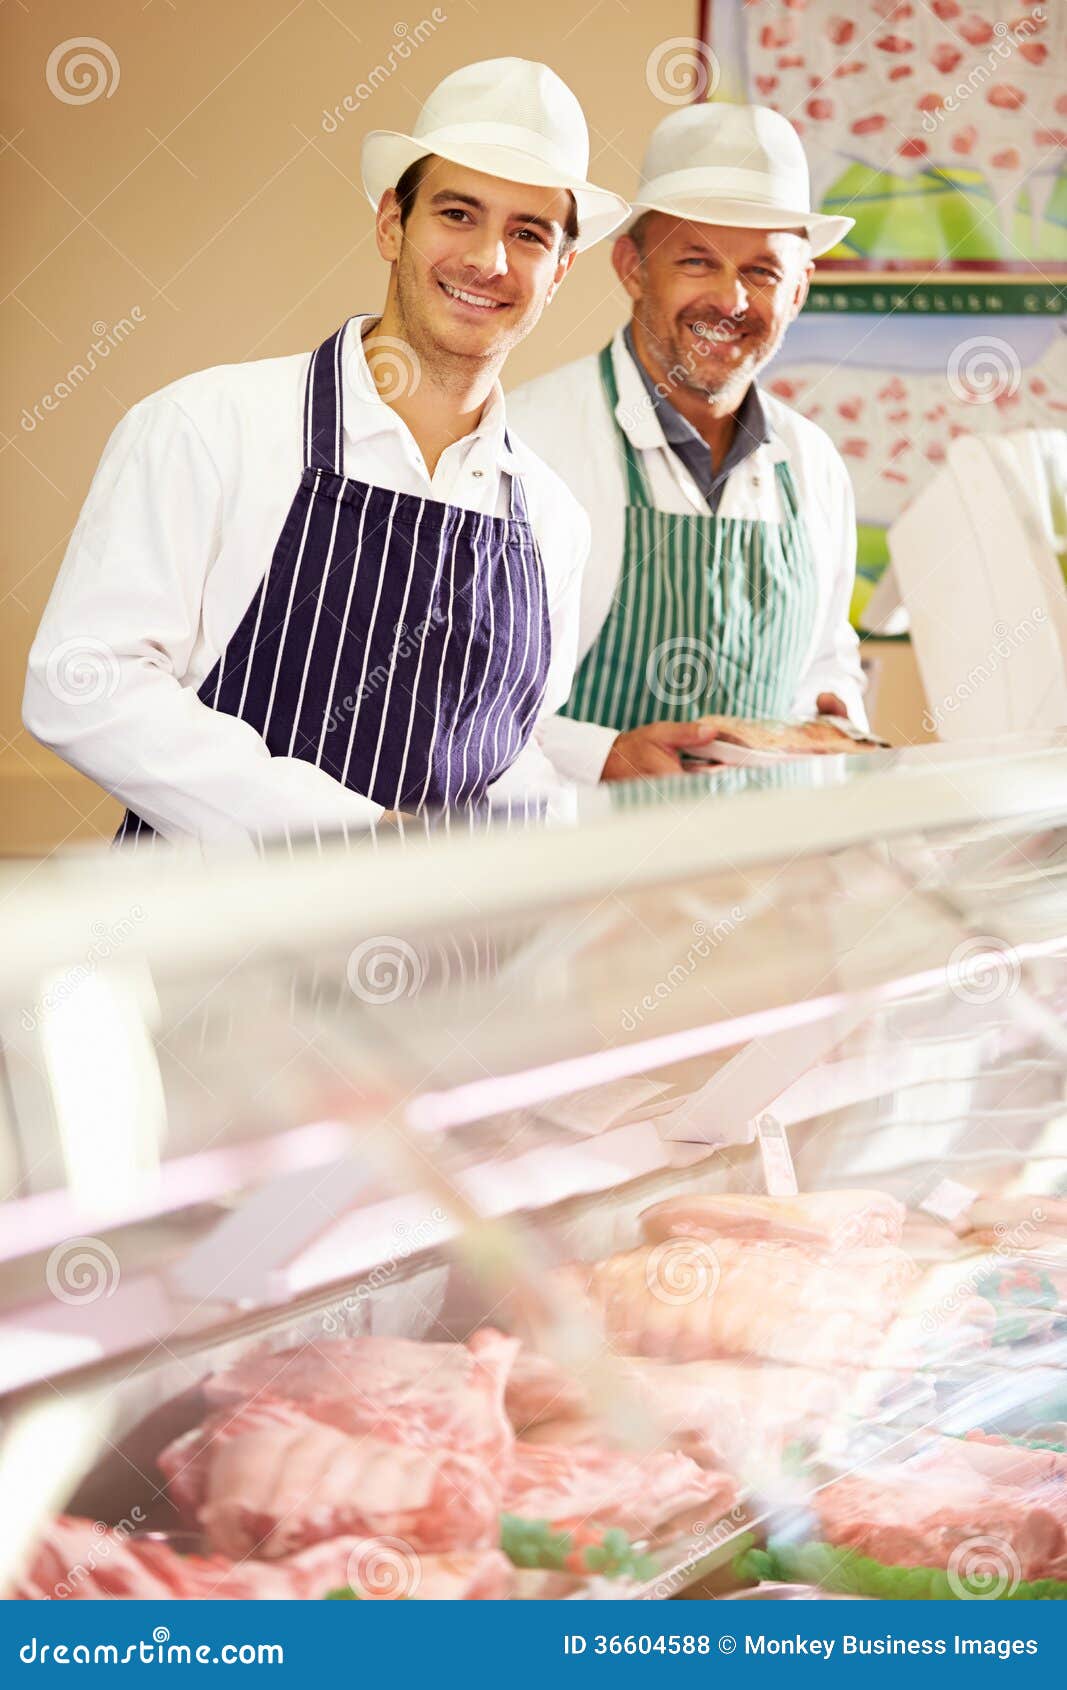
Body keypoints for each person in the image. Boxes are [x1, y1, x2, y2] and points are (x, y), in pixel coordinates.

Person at [23, 59, 628, 843]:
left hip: (456, 950)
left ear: (561, 272)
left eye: (528, 234)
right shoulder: (209, 426)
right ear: (390, 224)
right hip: (220, 952)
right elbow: (82, 686)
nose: (489, 261)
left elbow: (514, 751)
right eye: (457, 214)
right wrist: (353, 838)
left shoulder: (550, 517)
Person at [508, 102, 868, 785]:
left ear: (798, 290)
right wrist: (599, 756)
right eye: (696, 261)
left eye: (762, 271)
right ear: (632, 267)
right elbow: (454, 701)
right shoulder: (526, 440)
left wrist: (835, 711)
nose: (730, 301)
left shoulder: (813, 462)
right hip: (571, 865)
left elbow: (828, 657)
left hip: (760, 868)